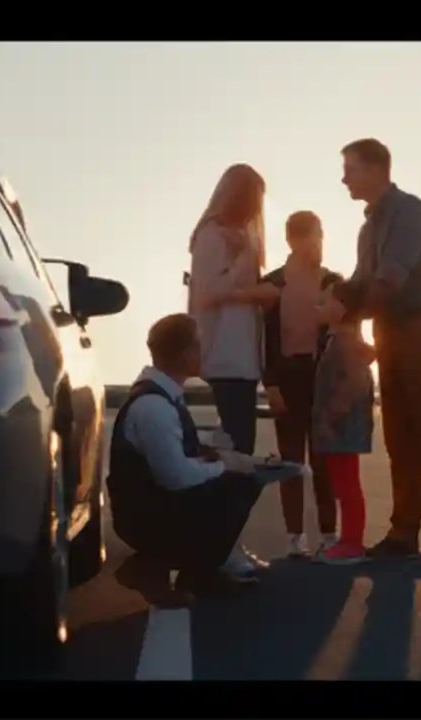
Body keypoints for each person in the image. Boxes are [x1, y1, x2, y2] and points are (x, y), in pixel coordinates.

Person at [339, 137, 421, 563]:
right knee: (398, 437)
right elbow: (360, 282)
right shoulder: (367, 227)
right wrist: (340, 311)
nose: (344, 178)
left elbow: (389, 279)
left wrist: (344, 317)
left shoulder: (409, 211)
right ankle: (403, 533)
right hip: (389, 331)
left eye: (351, 168)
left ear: (377, 169)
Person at [106, 313, 265, 600]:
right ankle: (166, 566)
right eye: (200, 345)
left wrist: (210, 449)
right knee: (241, 484)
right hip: (146, 518)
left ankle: (197, 568)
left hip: (148, 508)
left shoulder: (160, 396)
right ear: (185, 354)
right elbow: (176, 478)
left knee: (237, 477)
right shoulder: (154, 406)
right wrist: (224, 465)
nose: (206, 352)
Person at [186, 163, 279, 579]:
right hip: (224, 356)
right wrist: (254, 293)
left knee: (239, 453)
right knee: (238, 456)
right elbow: (206, 294)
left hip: (243, 358)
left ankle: (223, 543)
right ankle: (220, 547)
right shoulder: (211, 236)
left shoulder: (247, 236)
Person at [258, 211, 344, 559]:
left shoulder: (333, 282)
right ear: (293, 240)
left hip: (323, 376)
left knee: (325, 460)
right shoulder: (274, 283)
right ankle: (294, 537)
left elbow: (346, 331)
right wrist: (271, 384)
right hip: (287, 376)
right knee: (292, 462)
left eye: (321, 235)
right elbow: (263, 340)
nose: (318, 243)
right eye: (312, 236)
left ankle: (328, 533)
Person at [309, 280, 376, 565]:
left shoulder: (345, 345)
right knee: (343, 483)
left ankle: (352, 543)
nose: (318, 307)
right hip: (340, 428)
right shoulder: (342, 342)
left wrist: (331, 417)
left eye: (324, 302)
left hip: (342, 428)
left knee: (347, 485)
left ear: (341, 308)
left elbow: (352, 384)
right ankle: (349, 540)